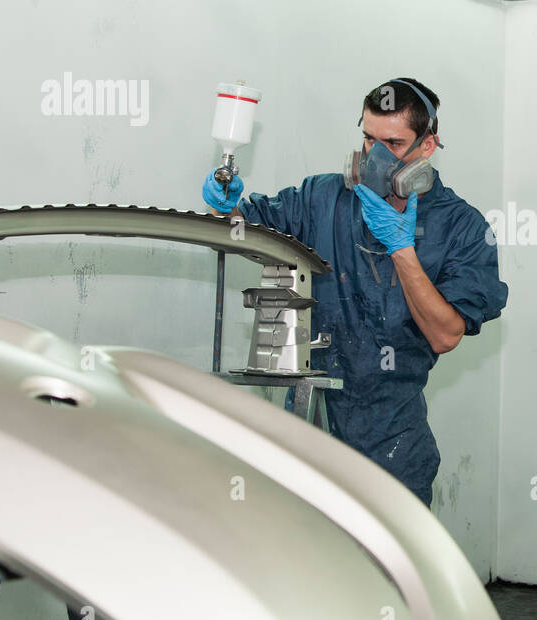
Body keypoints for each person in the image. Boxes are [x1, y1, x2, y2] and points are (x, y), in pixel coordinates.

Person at [201, 77, 507, 505]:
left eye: (394, 143)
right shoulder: (324, 198)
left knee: (386, 564)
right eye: (368, 139)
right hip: (310, 421)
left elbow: (445, 334)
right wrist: (227, 203)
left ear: (428, 145)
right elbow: (244, 231)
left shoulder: (461, 227)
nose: (375, 156)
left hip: (393, 441)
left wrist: (402, 249)